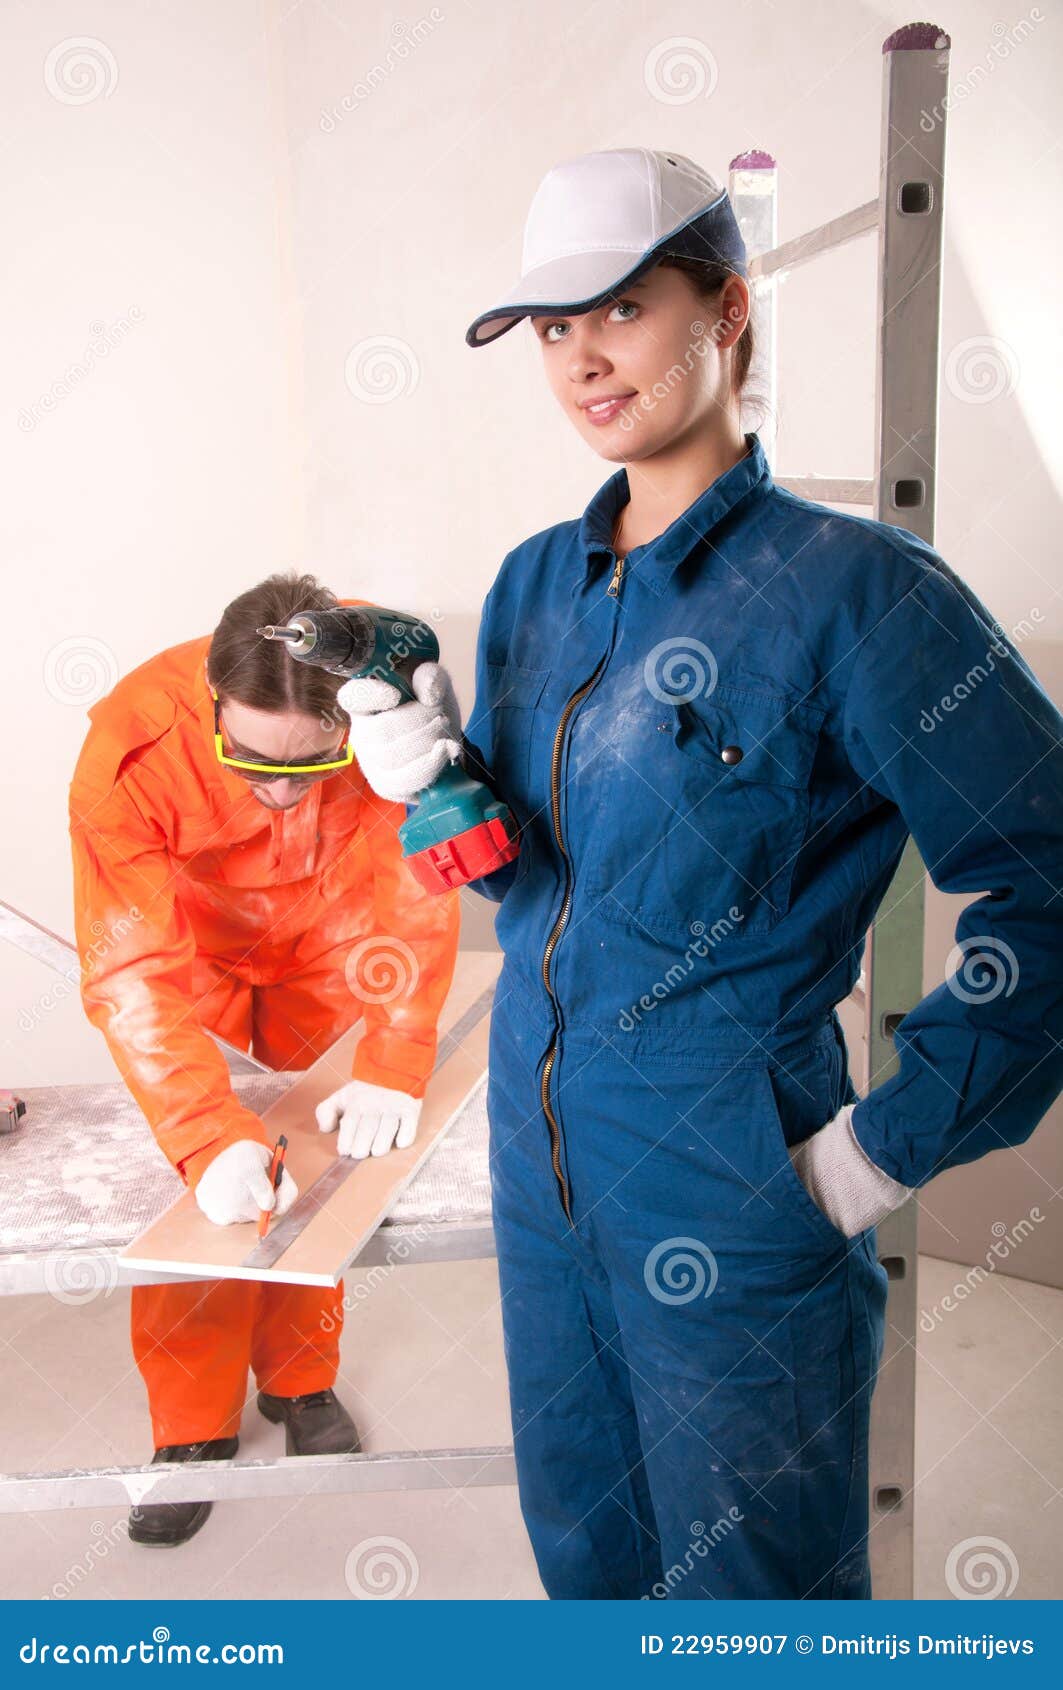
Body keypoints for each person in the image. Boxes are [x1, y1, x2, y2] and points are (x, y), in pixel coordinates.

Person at [338, 148, 1063, 1599]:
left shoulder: (858, 594)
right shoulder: (538, 580)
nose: (581, 360)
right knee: (591, 1569)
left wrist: (868, 1157)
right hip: (544, 1184)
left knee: (756, 1611)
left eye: (618, 310)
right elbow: (537, 887)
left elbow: (1045, 880)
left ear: (725, 308)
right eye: (549, 330)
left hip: (730, 1193)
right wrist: (431, 784)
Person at [69, 572, 460, 1547]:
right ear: (211, 701)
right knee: (205, 1196)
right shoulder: (132, 745)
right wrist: (205, 1137)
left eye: (304, 769)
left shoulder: (385, 712)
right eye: (248, 761)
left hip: (330, 950)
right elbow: (128, 968)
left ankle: (300, 1379)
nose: (271, 796)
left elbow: (416, 888)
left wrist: (397, 1054)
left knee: (317, 1175)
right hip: (192, 962)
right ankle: (191, 1432)